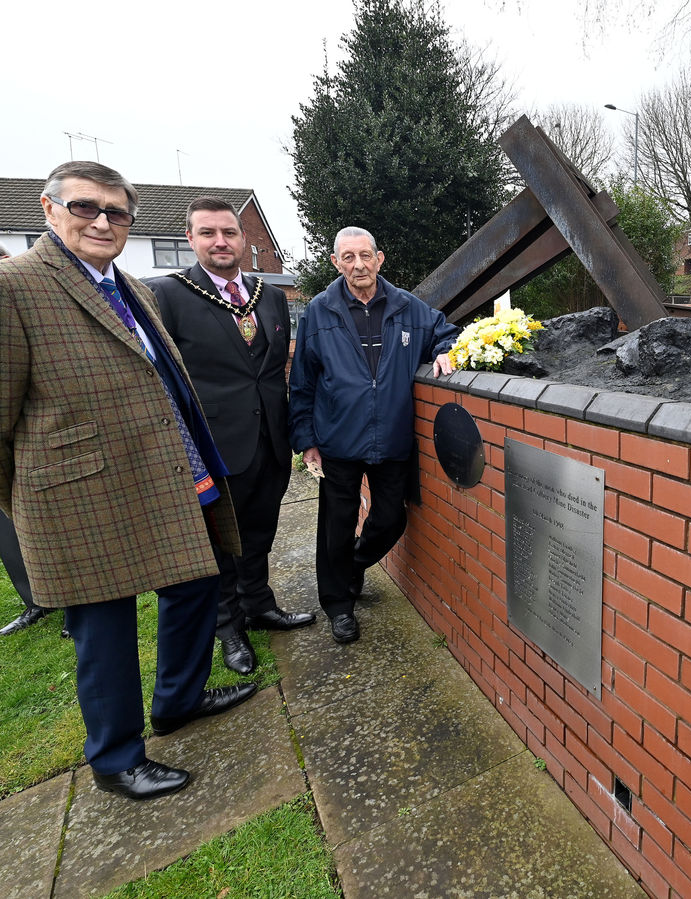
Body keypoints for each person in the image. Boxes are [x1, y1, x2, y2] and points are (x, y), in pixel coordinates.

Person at [0, 161, 257, 801]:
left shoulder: (131, 286)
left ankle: (178, 699)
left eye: (116, 213)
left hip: (167, 474)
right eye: (86, 208)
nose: (103, 222)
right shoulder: (15, 286)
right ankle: (116, 757)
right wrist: (25, 501)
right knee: (104, 628)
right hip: (79, 497)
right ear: (49, 209)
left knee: (198, 581)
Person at [151, 198, 314, 676]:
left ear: (244, 240)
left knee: (262, 527)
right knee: (221, 538)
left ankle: (260, 604)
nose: (220, 242)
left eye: (229, 232)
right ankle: (229, 626)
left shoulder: (271, 295)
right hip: (215, 444)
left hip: (270, 437)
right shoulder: (167, 294)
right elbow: (161, 376)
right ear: (191, 240)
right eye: (208, 233)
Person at [289, 226, 457, 644]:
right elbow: (302, 383)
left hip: (392, 437)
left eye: (365, 256)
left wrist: (445, 351)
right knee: (336, 527)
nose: (358, 265)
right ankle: (338, 605)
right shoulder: (318, 312)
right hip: (337, 441)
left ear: (379, 259)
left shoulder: (408, 307)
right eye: (348, 257)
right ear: (335, 262)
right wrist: (307, 440)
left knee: (390, 518)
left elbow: (447, 333)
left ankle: (355, 566)